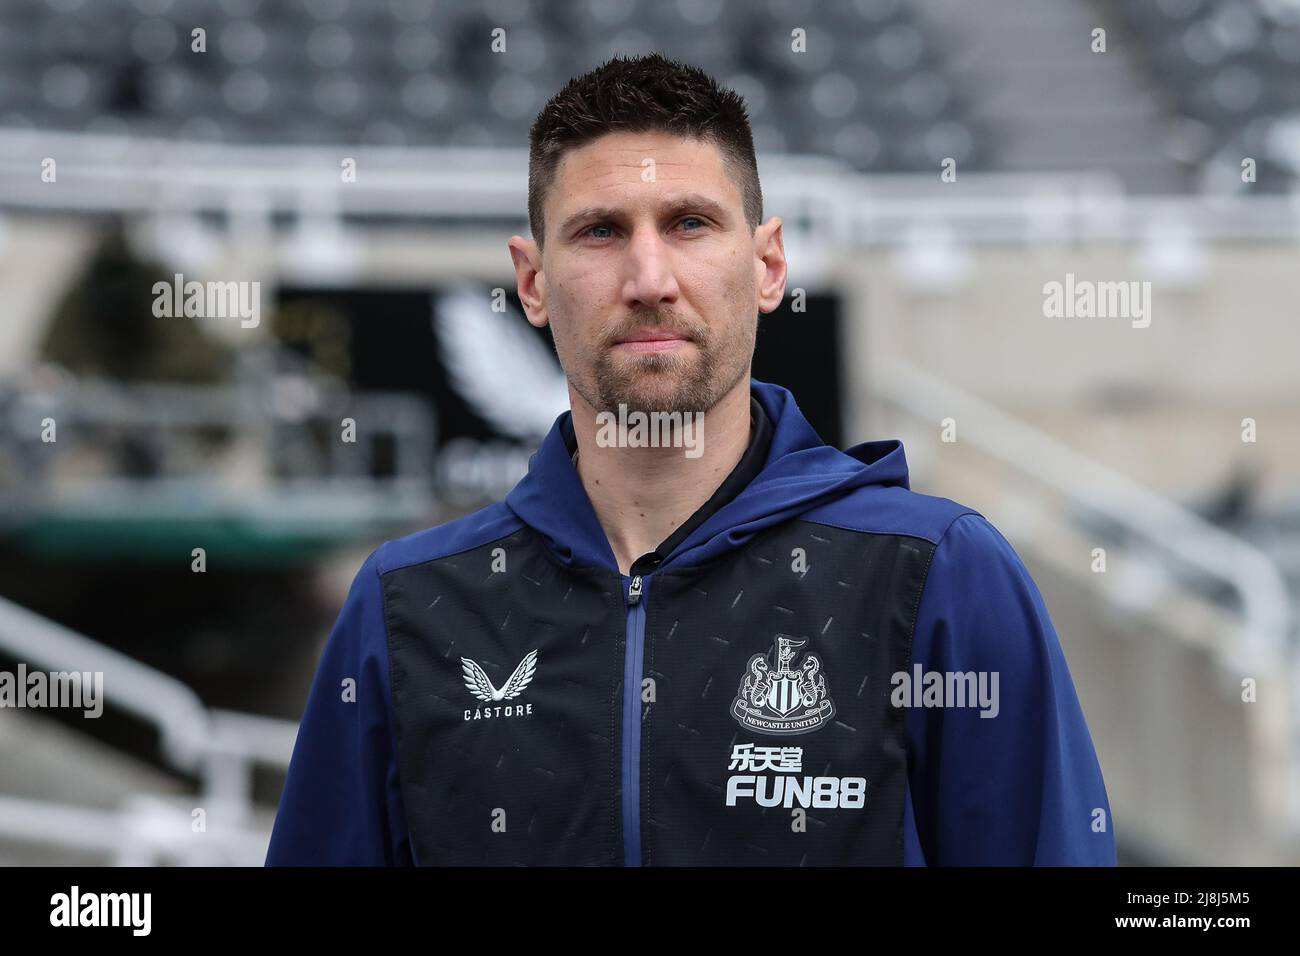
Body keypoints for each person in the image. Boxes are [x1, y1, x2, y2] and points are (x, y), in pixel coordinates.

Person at [266, 53, 1115, 866]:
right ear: (531, 282)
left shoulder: (939, 576)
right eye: (600, 232)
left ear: (767, 263)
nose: (649, 277)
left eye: (690, 224)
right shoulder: (407, 607)